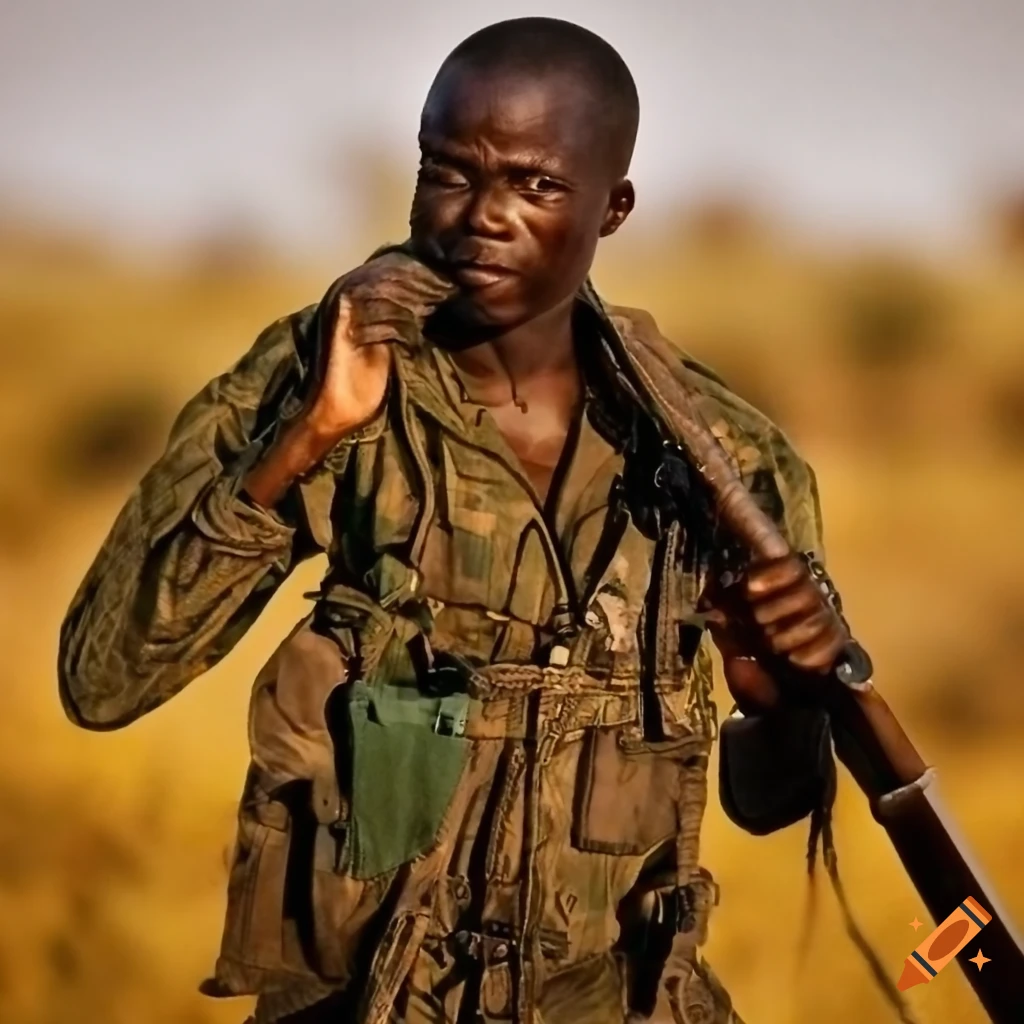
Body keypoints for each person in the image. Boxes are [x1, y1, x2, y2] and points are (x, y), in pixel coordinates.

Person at [58, 17, 851, 1024]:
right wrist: (307, 437)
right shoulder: (331, 365)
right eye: (448, 170)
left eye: (535, 184)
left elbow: (773, 805)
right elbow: (102, 678)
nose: (481, 216)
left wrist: (776, 697)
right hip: (362, 1001)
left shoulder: (720, 460)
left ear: (613, 208)